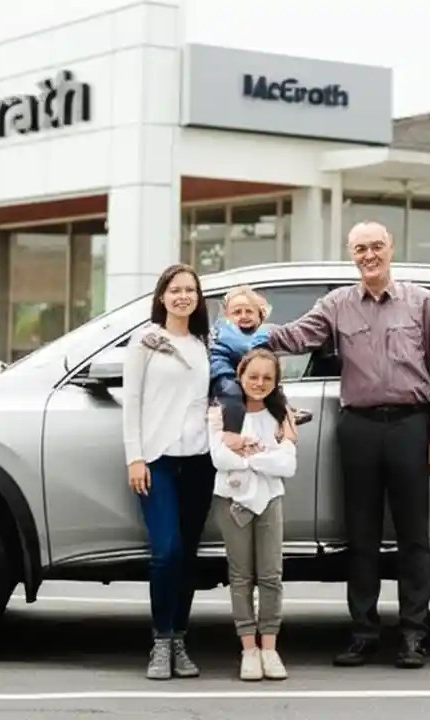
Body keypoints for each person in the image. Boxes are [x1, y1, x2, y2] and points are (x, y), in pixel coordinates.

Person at [260, 220, 430, 669]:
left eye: (377, 247)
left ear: (391, 249)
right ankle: (363, 633)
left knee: (413, 537)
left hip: (410, 425)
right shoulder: (337, 305)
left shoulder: (422, 303)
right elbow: (295, 337)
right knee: (360, 535)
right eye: (360, 248)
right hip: (358, 427)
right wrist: (241, 332)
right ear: (352, 254)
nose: (369, 255)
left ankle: (413, 635)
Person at [122, 262, 215, 680]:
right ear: (162, 297)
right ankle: (160, 641)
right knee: (167, 551)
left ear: (198, 299)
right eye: (175, 290)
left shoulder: (204, 344)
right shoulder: (145, 342)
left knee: (188, 556)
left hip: (199, 459)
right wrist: (135, 457)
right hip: (156, 459)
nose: (182, 296)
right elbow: (132, 403)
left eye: (190, 291)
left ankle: (180, 639)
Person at [207, 347, 298, 681]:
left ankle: (270, 647)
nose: (259, 383)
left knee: (271, 575)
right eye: (253, 376)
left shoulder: (280, 414)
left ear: (276, 382)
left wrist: (248, 453)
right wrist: (264, 455)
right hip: (232, 500)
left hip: (269, 500)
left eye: (267, 378)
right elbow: (220, 458)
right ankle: (249, 648)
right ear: (240, 375)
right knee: (241, 575)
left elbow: (287, 464)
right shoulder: (222, 412)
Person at [209, 285, 272, 437]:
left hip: (241, 376)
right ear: (227, 316)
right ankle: (232, 435)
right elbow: (243, 349)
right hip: (223, 373)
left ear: (260, 315)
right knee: (233, 397)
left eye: (249, 311)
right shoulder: (225, 329)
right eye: (237, 312)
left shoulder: (259, 333)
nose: (243, 315)